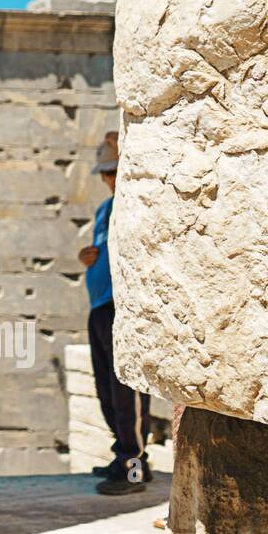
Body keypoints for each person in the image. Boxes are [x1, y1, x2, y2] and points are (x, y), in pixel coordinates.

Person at [79, 131, 151, 495]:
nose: (109, 179)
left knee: (128, 395)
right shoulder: (105, 209)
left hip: (122, 308)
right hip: (99, 307)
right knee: (107, 391)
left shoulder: (135, 204)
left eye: (114, 170)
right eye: (105, 173)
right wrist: (87, 257)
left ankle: (134, 468)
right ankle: (122, 456)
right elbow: (101, 251)